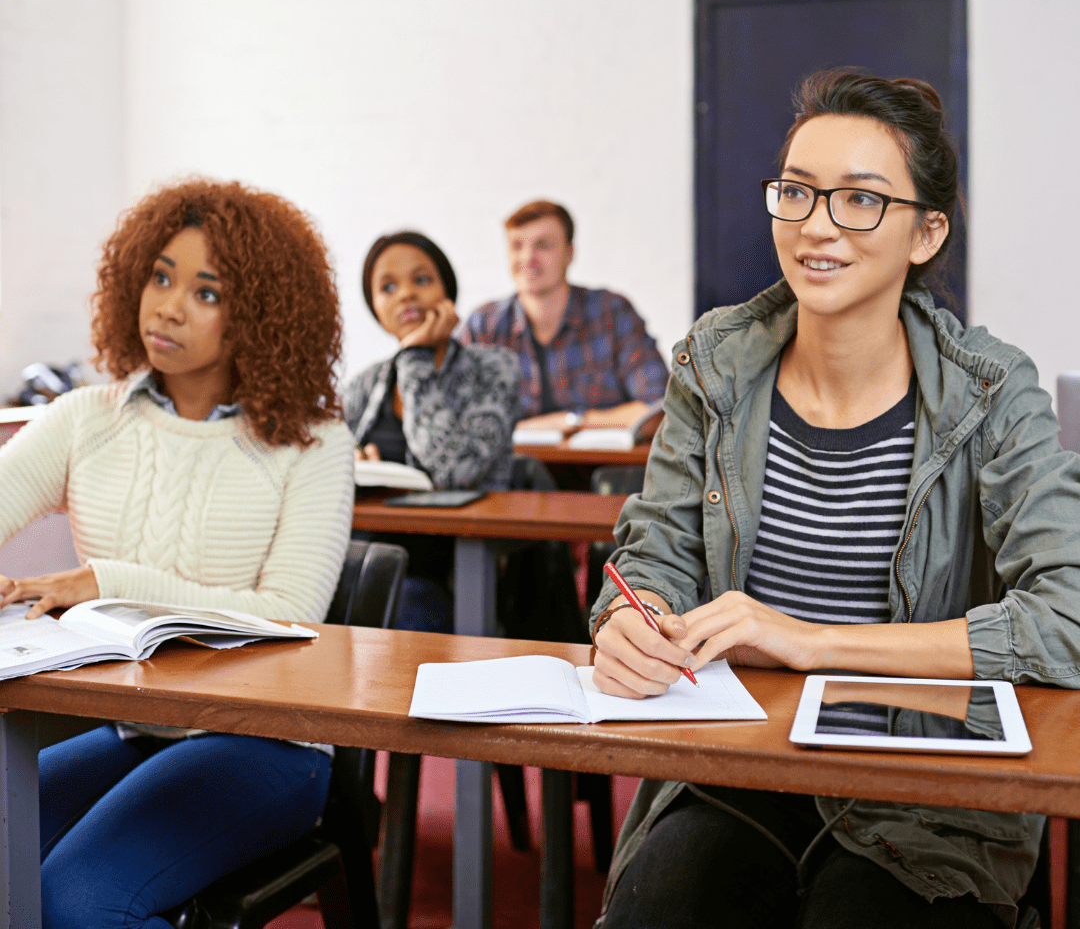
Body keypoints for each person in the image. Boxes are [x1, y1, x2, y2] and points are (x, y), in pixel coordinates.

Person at [590, 70, 1080, 928]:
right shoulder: (715, 363)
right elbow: (656, 552)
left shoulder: (993, 391)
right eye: (798, 192)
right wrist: (634, 618)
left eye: (861, 199)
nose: (817, 225)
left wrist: (811, 643)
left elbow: (1067, 615)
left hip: (924, 785)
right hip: (737, 763)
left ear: (926, 232)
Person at [0, 179, 355, 929]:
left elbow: (291, 618)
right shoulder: (86, 418)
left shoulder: (315, 444)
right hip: (133, 728)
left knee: (77, 899)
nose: (168, 306)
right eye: (160, 277)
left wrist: (106, 582)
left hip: (267, 742)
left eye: (206, 292)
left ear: (258, 315)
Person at [343, 230, 519, 632]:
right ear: (375, 306)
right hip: (369, 560)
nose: (406, 294)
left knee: (404, 605)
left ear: (447, 291)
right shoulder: (365, 385)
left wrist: (415, 357)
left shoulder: (494, 368)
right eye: (388, 287)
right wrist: (352, 460)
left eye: (421, 280)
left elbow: (451, 469)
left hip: (457, 569)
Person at [458, 200, 668, 433]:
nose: (527, 257)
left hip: (600, 456)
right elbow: (452, 415)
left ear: (569, 253)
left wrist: (571, 421)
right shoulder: (483, 326)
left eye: (543, 245)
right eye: (516, 246)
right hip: (512, 457)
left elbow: (658, 410)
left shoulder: (611, 313)